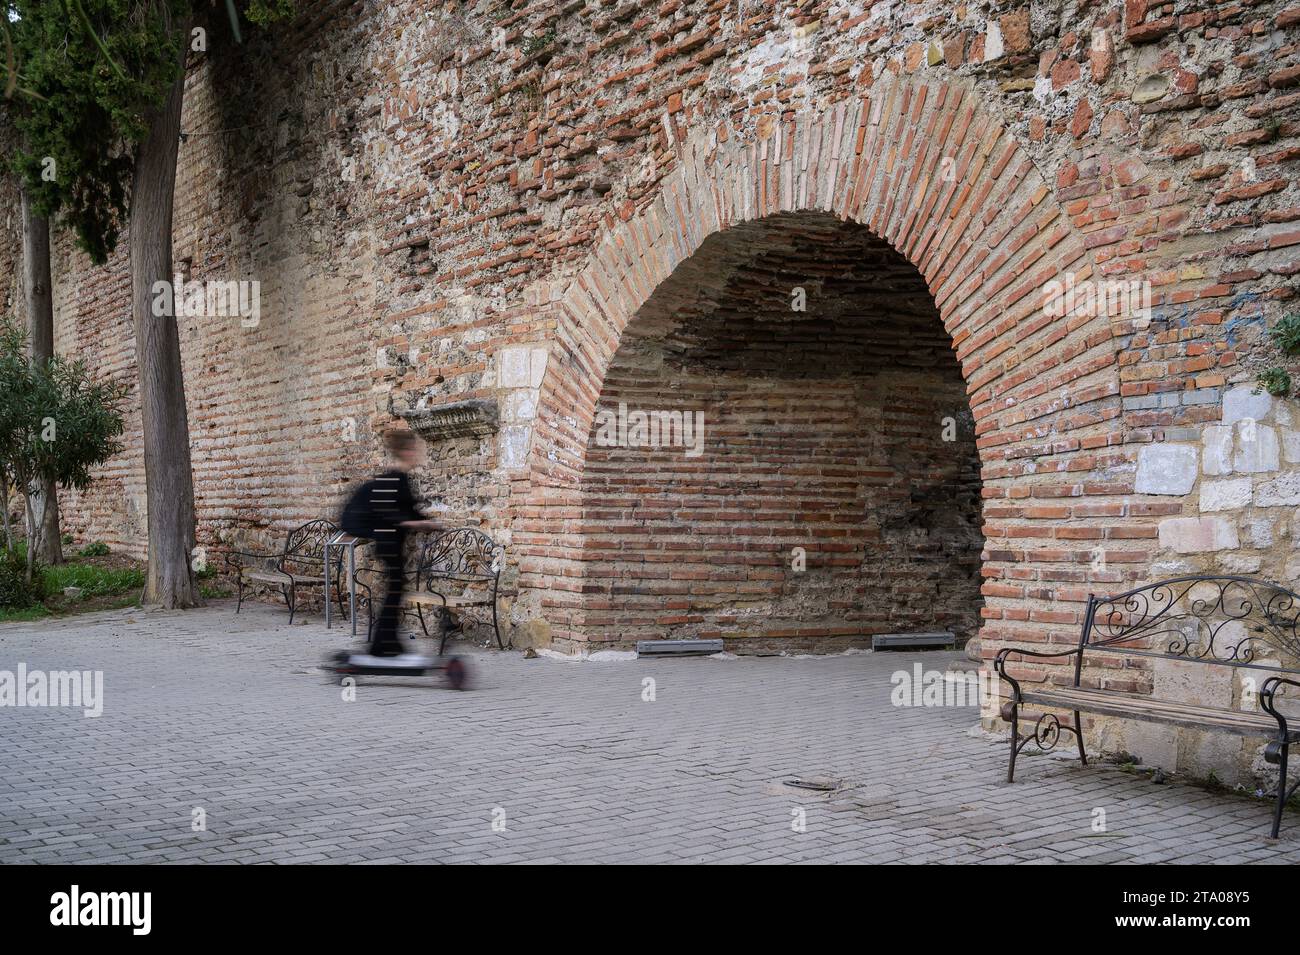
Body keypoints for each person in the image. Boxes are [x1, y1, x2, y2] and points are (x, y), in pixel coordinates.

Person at [342, 429, 442, 662]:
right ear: (406, 452)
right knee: (394, 591)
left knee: (395, 591)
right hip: (388, 544)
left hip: (394, 545)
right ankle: (382, 645)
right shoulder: (392, 479)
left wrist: (428, 522)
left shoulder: (401, 479)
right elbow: (391, 515)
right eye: (415, 450)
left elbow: (407, 510)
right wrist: (419, 523)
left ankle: (387, 643)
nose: (418, 455)